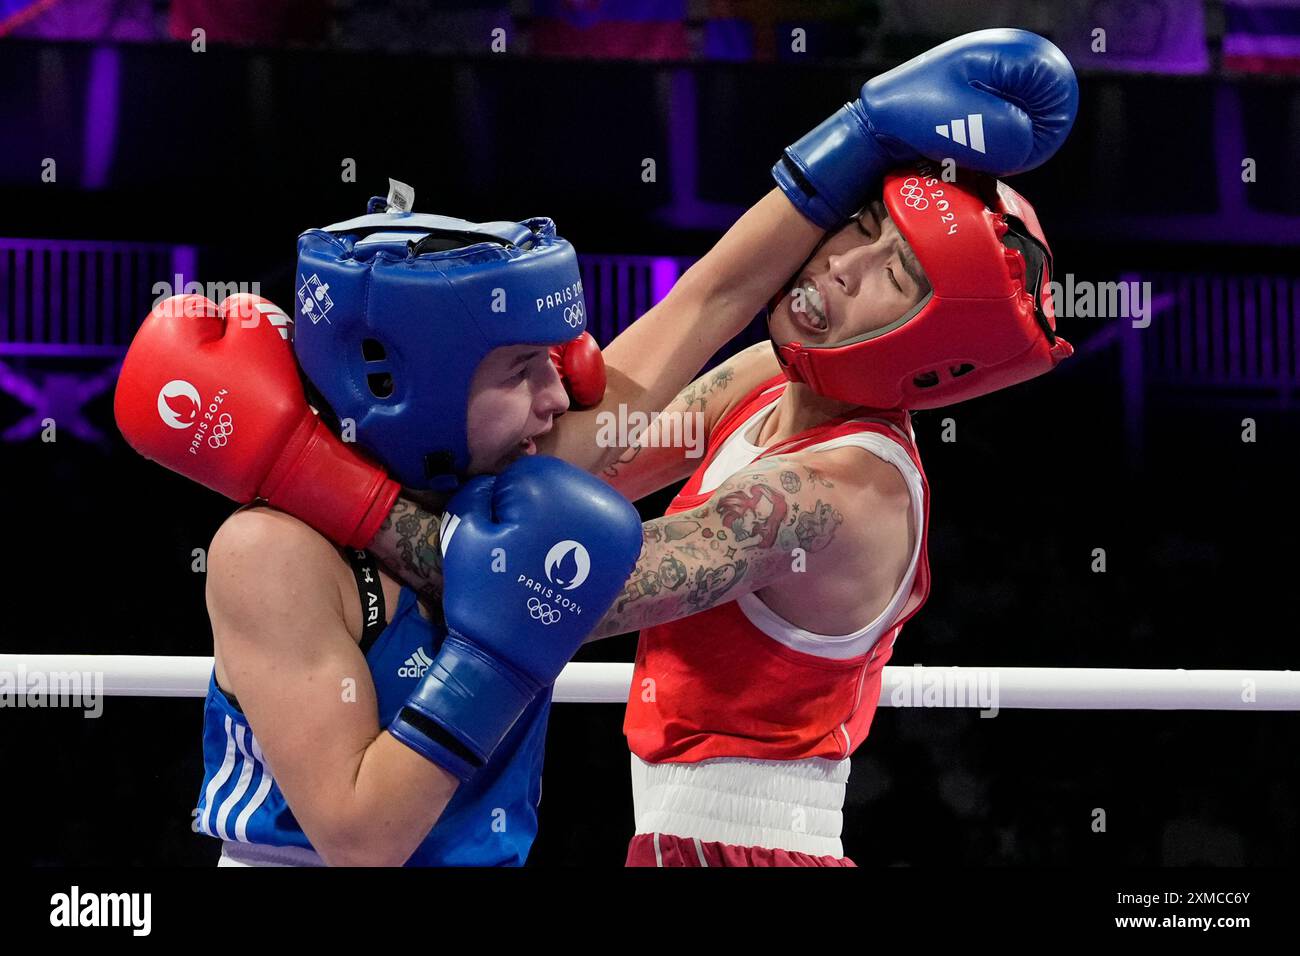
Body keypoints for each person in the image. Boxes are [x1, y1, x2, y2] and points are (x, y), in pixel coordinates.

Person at [121, 28, 1078, 866]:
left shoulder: (835, 497)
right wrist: (852, 140)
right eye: (857, 226)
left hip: (750, 848)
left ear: (937, 345)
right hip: (658, 840)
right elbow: (680, 331)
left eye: (894, 275)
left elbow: (553, 587)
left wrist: (305, 468)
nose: (837, 264)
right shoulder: (767, 383)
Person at [115, 212, 642, 866]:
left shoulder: (516, 490)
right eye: (521, 368)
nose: (559, 396)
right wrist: (499, 659)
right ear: (414, 383)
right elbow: (361, 840)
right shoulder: (271, 552)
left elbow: (712, 304)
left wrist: (806, 204)